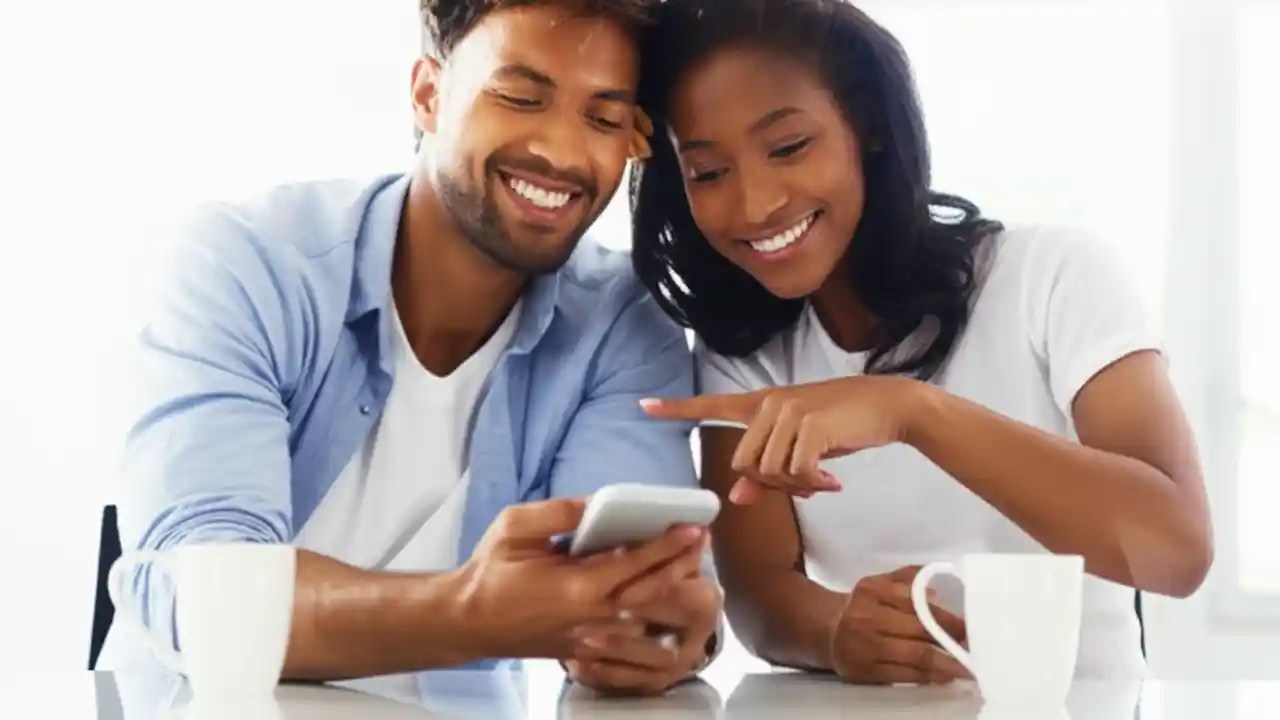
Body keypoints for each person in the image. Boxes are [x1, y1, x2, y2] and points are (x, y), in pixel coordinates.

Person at [99, 0, 721, 696]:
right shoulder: (250, 264)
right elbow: (201, 592)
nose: (562, 152)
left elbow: (636, 598)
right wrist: (471, 613)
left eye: (605, 119)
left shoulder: (623, 325)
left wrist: (664, 633)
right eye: (519, 97)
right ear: (429, 93)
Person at [630, 0, 1213, 683]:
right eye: (708, 173)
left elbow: (1176, 551)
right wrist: (835, 631)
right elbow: (760, 592)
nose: (756, 203)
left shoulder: (1050, 277)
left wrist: (909, 412)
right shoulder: (743, 354)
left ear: (868, 128)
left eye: (789, 147)